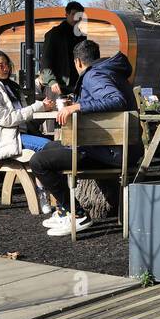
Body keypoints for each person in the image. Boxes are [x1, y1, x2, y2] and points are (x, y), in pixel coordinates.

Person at [28, 40, 137, 235]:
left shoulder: (94, 75)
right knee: (49, 147)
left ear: (78, 62)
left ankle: (77, 214)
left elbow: (115, 100)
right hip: (114, 148)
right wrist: (79, 102)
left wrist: (77, 106)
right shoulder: (109, 71)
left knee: (38, 162)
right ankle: (64, 210)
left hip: (108, 152)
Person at [0, 51, 55, 212]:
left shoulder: (13, 87)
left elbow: (25, 116)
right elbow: (7, 119)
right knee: (48, 147)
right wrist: (38, 106)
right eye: (1, 65)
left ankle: (51, 193)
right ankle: (46, 193)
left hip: (22, 134)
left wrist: (46, 109)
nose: (6, 68)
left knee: (56, 146)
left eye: (7, 65)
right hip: (5, 139)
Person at [40, 1, 87, 97]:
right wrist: (51, 80)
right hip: (57, 85)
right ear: (66, 14)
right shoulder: (54, 34)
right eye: (73, 14)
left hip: (77, 84)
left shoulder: (81, 37)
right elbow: (46, 59)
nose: (76, 18)